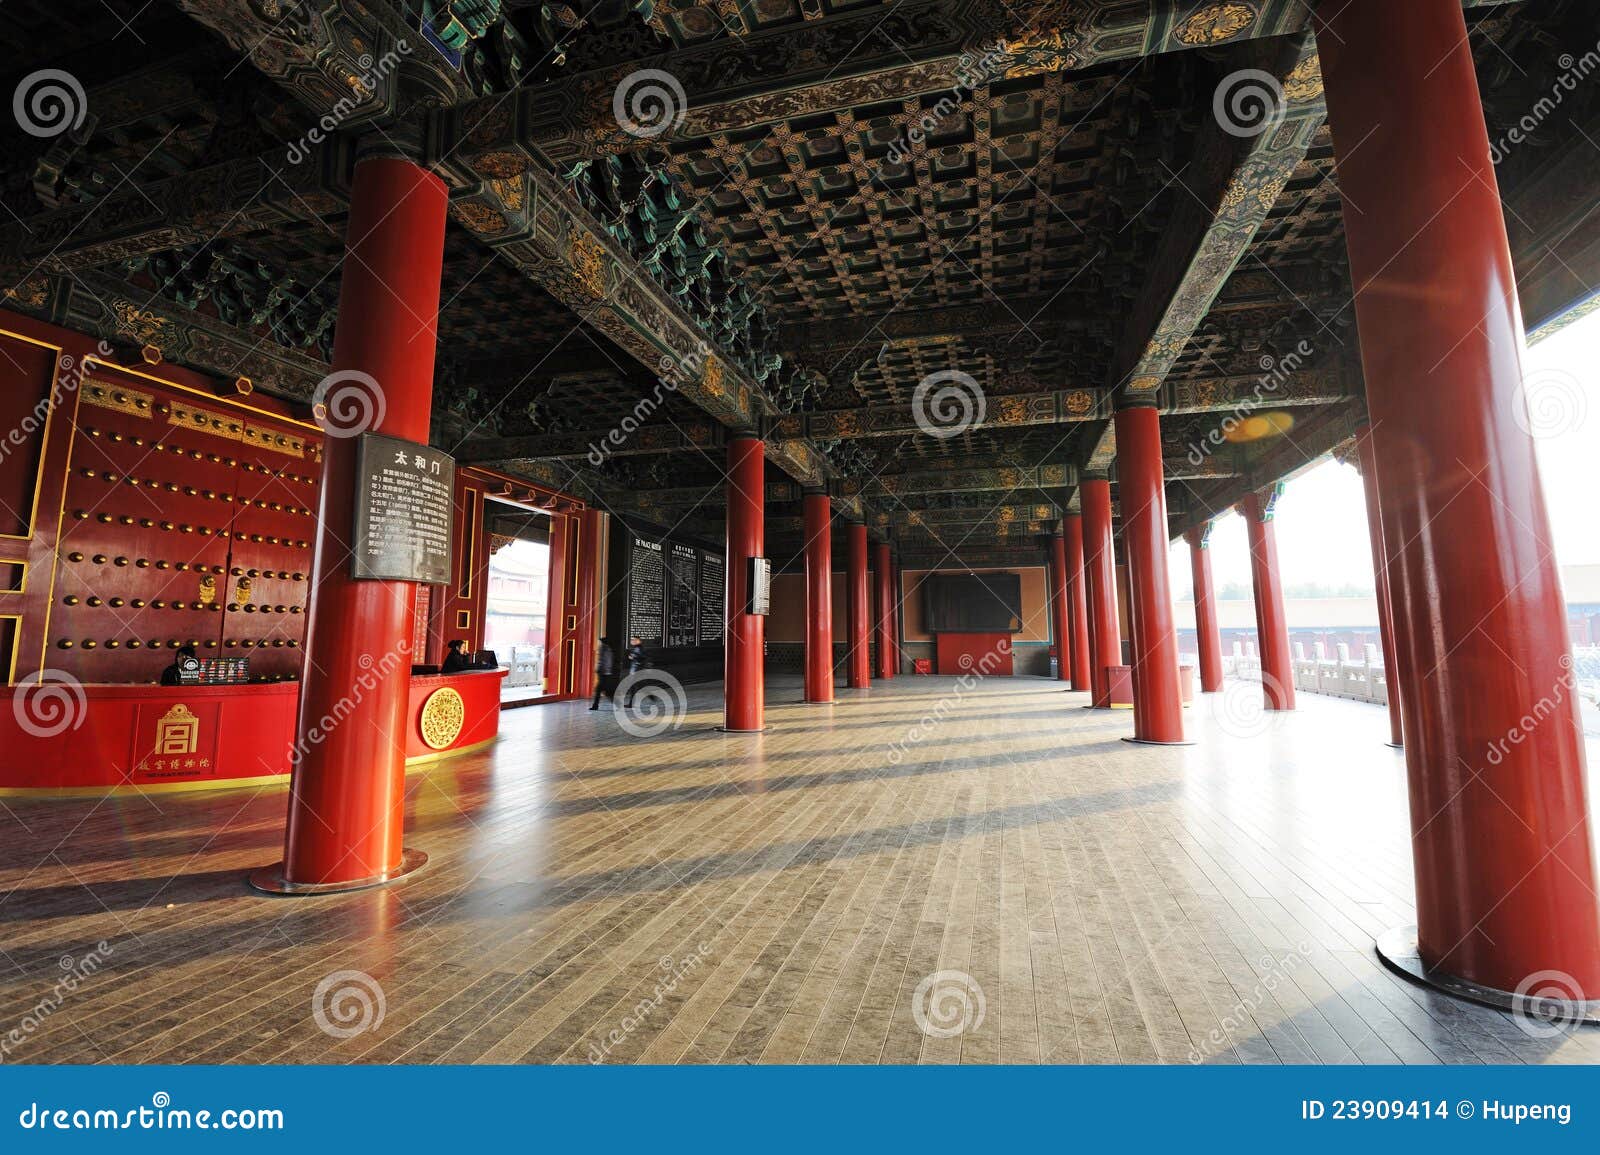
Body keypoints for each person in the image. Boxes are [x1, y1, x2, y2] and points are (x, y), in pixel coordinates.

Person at [590, 638, 619, 709]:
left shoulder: (602, 648)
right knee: (604, 690)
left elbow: (602, 661)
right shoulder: (609, 649)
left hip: (602, 672)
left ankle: (595, 705)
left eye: (598, 641)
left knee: (601, 690)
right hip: (606, 672)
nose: (598, 643)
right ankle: (595, 705)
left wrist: (598, 669)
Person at [621, 636, 648, 708]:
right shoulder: (638, 648)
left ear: (638, 640)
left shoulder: (638, 648)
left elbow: (641, 657)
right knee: (635, 686)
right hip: (636, 670)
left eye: (634, 639)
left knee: (633, 687)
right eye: (632, 639)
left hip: (636, 670)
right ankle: (630, 703)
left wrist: (633, 656)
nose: (632, 641)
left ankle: (630, 703)